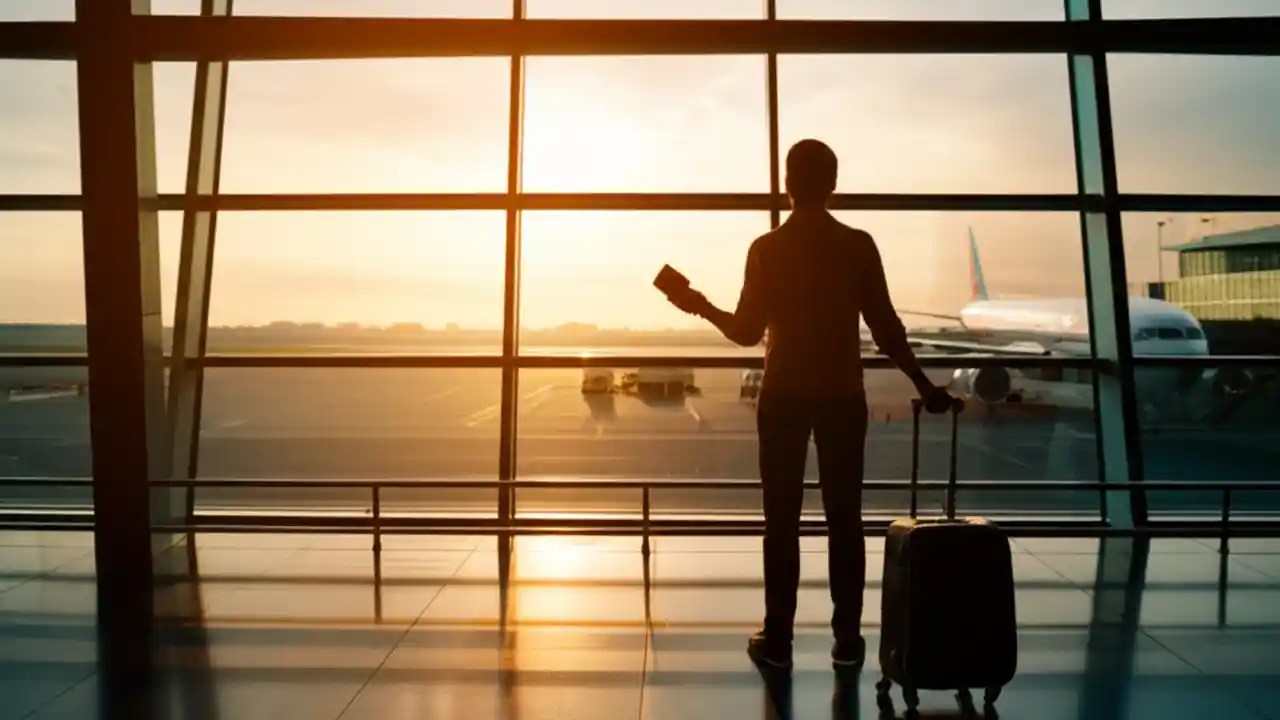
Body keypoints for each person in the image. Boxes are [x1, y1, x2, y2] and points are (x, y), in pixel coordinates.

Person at [666, 139, 954, 671]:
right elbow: (886, 328)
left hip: (784, 398)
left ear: (786, 184)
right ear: (834, 184)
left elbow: (747, 333)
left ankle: (779, 638)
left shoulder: (767, 249)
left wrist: (697, 304)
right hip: (843, 397)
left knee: (782, 522)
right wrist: (923, 384)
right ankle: (848, 640)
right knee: (846, 520)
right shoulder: (858, 245)